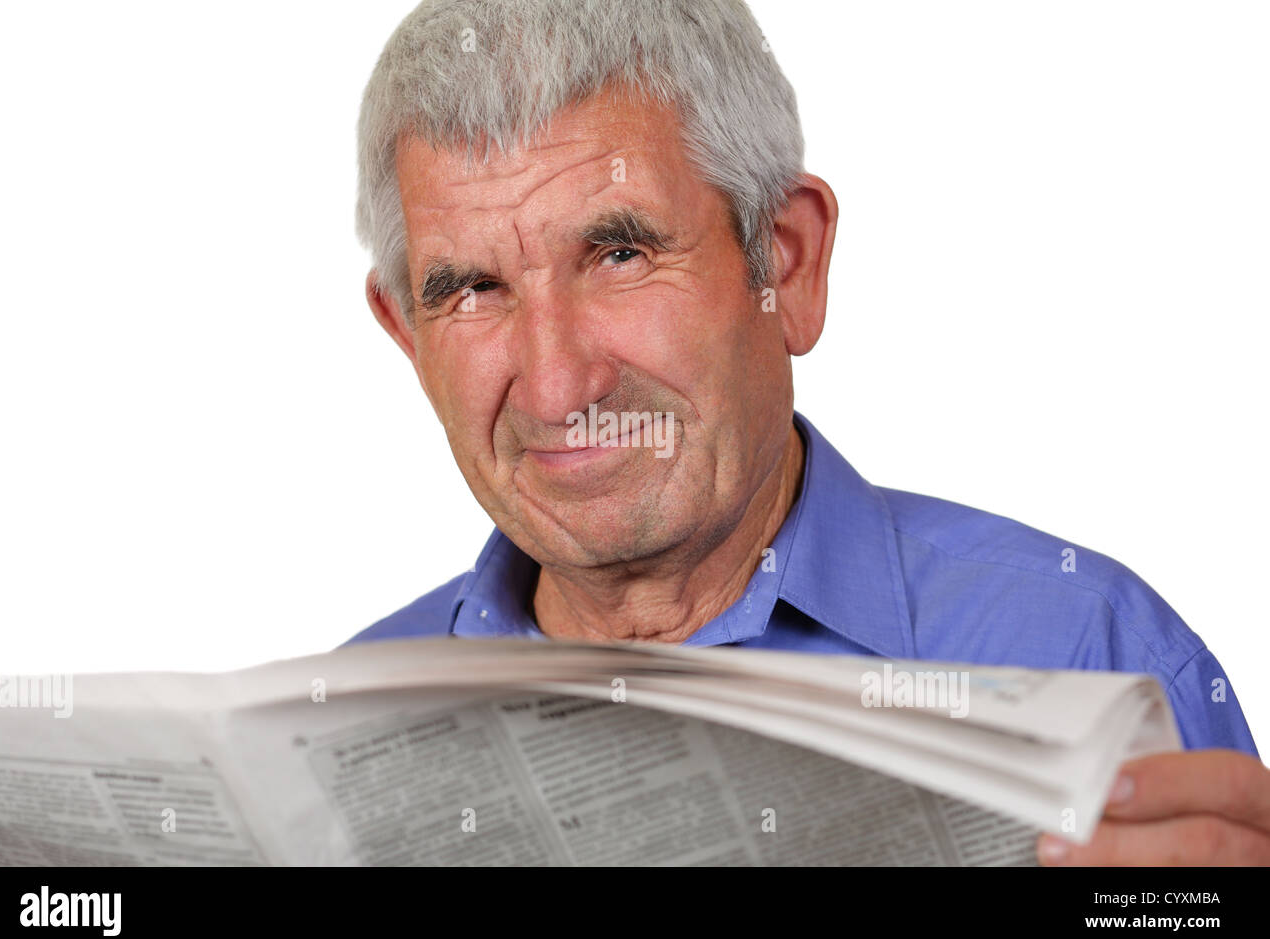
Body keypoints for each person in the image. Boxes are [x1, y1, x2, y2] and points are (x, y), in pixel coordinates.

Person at [346, 0, 1268, 864]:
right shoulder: (340, 736)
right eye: (471, 290)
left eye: (620, 254)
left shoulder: (1090, 651)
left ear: (785, 264)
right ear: (406, 335)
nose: (557, 387)